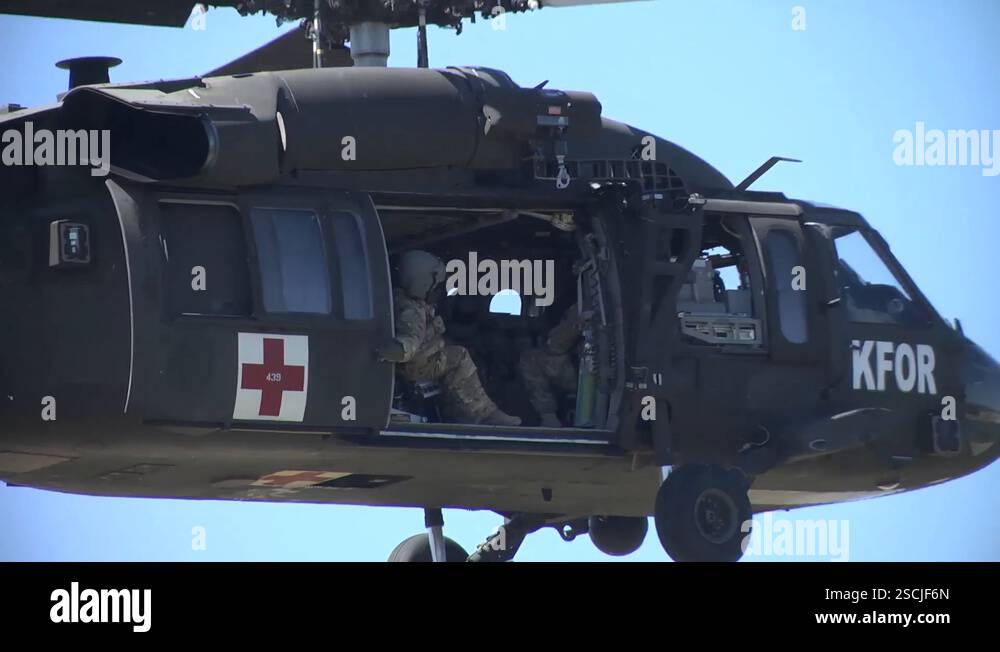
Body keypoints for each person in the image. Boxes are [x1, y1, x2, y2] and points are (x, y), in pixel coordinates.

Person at [376, 250, 521, 426]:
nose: (437, 289)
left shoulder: (399, 299)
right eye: (434, 285)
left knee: (452, 350)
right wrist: (397, 350)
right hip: (417, 364)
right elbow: (410, 340)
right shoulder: (412, 310)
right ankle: (485, 414)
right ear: (422, 283)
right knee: (460, 356)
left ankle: (456, 413)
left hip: (420, 358)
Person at [518, 302, 583, 428]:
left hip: (591, 372)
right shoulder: (587, 305)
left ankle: (549, 419)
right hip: (589, 370)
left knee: (530, 360)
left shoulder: (584, 307)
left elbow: (554, 345)